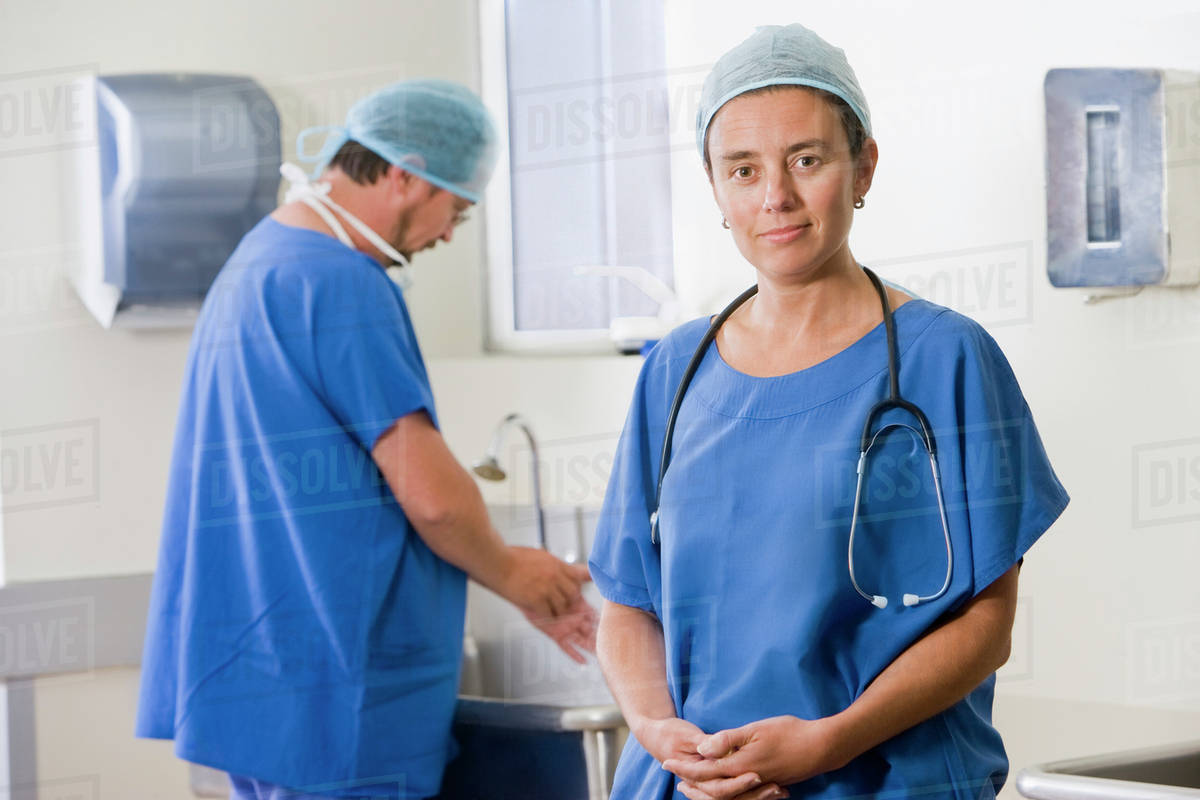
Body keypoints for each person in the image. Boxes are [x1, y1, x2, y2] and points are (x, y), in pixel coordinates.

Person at [589, 24, 1069, 800]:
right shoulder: (675, 371)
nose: (774, 196)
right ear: (715, 186)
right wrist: (658, 734)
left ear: (863, 166)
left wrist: (828, 743)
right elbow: (627, 606)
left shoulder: (945, 359)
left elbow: (986, 626)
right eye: (743, 169)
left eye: (806, 160)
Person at [136, 79, 596, 800]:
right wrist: (513, 574)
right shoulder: (344, 282)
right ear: (405, 174)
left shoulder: (257, 261)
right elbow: (432, 497)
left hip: (262, 686)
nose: (448, 235)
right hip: (337, 696)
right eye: (457, 210)